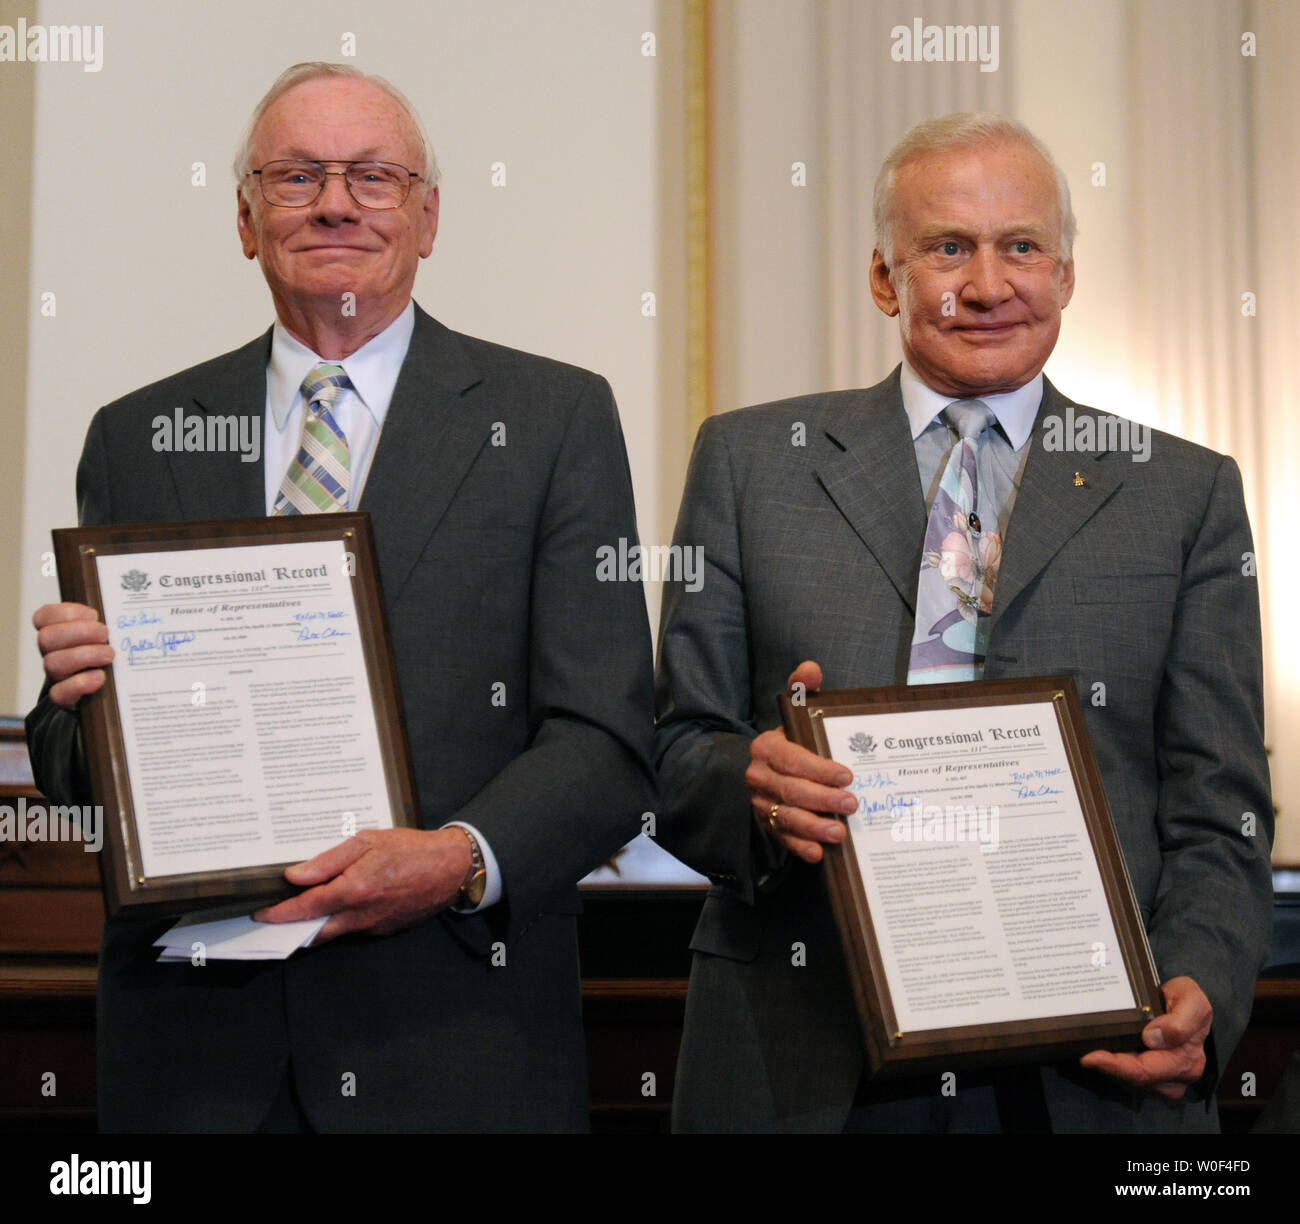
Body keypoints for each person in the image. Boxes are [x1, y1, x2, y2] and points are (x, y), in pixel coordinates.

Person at [26, 61, 655, 1133]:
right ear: (243, 218)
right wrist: (76, 700)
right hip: (195, 1056)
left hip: (451, 1038)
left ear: (427, 215)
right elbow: (75, 764)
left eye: (372, 176)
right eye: (295, 175)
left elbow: (607, 742)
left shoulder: (552, 419)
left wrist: (456, 860)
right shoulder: (136, 434)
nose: (333, 202)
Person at [654, 113, 1273, 1133]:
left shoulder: (1185, 495)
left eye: (1020, 246)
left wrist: (1202, 978)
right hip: (805, 1049)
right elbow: (675, 754)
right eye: (947, 247)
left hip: (1090, 1064)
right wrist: (756, 789)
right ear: (883, 278)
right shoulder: (749, 463)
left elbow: (1220, 804)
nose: (986, 285)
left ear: (1066, 274)